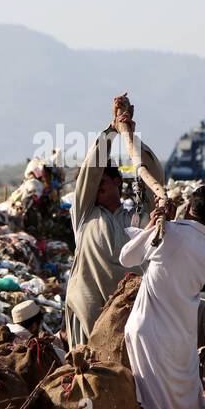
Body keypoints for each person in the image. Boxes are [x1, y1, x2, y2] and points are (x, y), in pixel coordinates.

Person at [119, 184, 205, 409]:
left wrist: (155, 224)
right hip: (181, 335)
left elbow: (126, 258)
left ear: (188, 207)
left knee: (155, 404)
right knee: (188, 400)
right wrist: (162, 225)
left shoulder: (169, 232)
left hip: (148, 331)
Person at [63, 107, 164, 348]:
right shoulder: (85, 214)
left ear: (118, 181)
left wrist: (130, 136)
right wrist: (111, 132)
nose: (97, 189)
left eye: (103, 183)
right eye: (94, 185)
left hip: (131, 315)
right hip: (89, 314)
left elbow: (155, 181)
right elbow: (90, 172)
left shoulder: (138, 218)